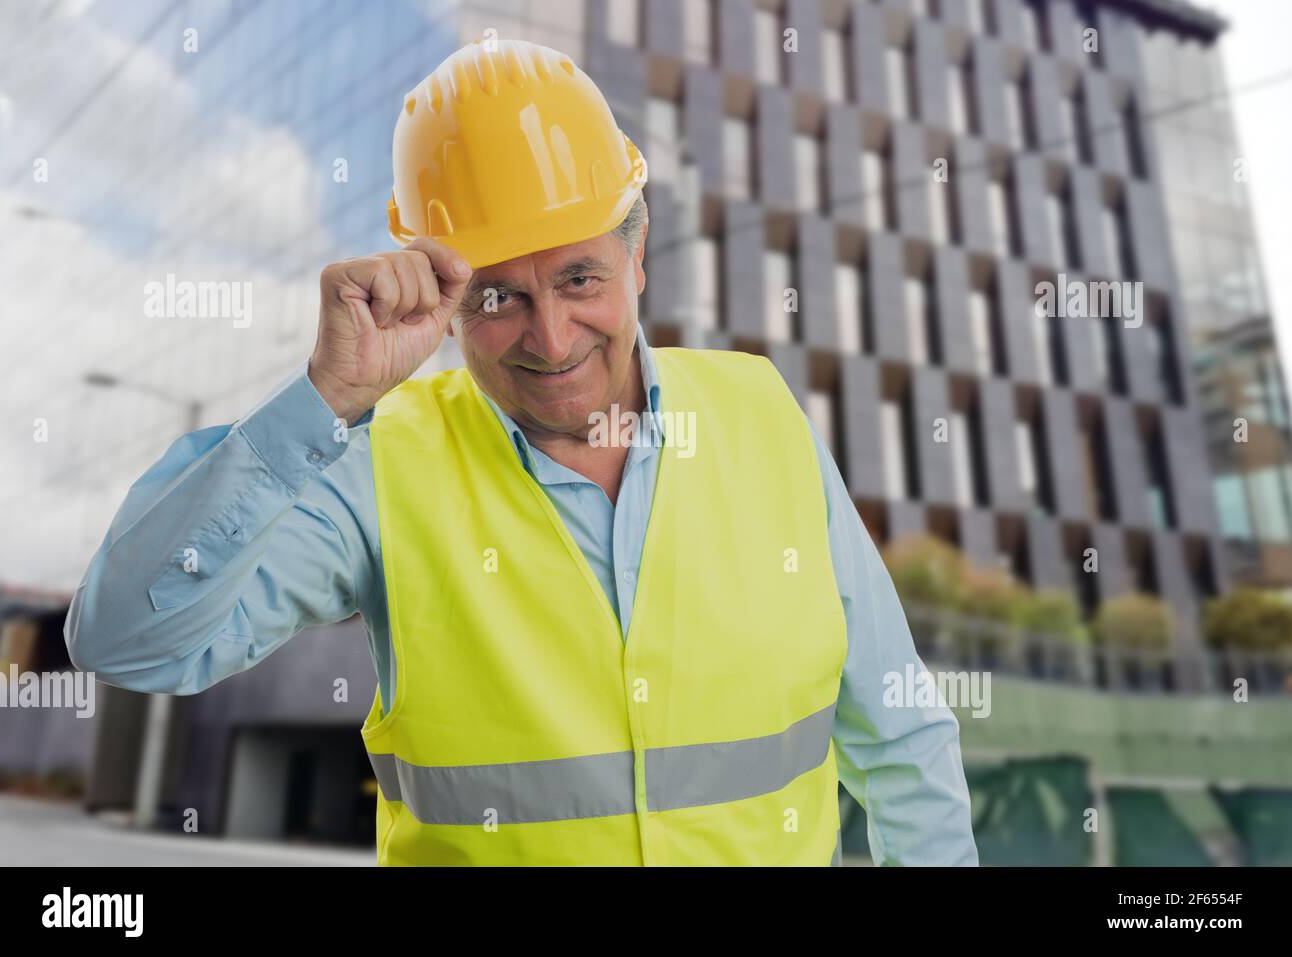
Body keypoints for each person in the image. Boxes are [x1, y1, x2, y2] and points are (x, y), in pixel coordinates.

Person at [66, 38, 977, 866]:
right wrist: (323, 400)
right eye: (498, 299)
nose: (551, 337)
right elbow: (126, 639)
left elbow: (900, 736)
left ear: (638, 252)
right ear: (443, 300)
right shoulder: (380, 464)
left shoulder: (763, 415)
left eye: (580, 278)